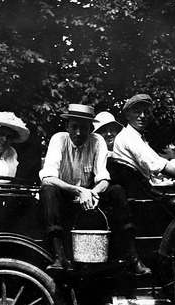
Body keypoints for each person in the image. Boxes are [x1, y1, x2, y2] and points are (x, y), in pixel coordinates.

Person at [39, 103, 151, 275]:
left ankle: (133, 257)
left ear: (91, 128)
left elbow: (103, 178)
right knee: (48, 189)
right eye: (74, 127)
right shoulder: (59, 139)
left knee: (116, 190)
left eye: (84, 128)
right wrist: (78, 191)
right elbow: (47, 177)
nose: (78, 133)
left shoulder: (97, 141)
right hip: (64, 196)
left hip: (89, 196)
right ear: (66, 126)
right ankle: (59, 257)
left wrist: (92, 192)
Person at [111, 94, 175, 185]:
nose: (142, 116)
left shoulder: (137, 137)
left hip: (144, 188)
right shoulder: (129, 137)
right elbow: (158, 166)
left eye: (146, 112)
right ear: (128, 115)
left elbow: (163, 163)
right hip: (141, 192)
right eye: (137, 111)